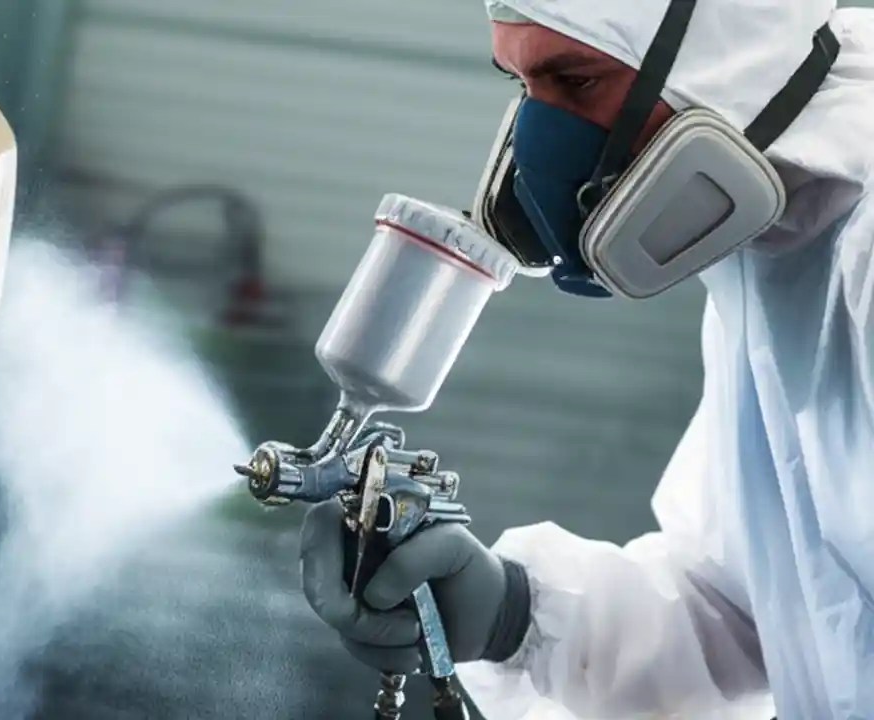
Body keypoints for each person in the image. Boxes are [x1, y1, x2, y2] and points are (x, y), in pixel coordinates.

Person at [298, 0, 874, 717]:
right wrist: (514, 616)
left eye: (576, 81)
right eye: (522, 86)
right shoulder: (779, 250)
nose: (537, 145)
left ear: (724, 65)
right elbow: (752, 610)